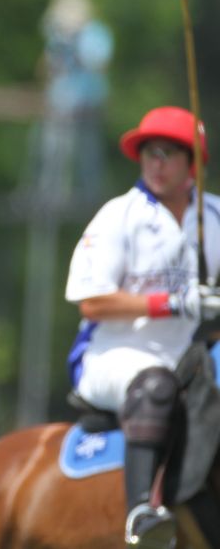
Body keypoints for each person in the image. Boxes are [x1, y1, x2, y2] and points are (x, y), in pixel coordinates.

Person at [64, 105, 220, 548]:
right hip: (115, 357)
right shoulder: (119, 215)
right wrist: (172, 303)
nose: (156, 163)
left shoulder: (214, 215)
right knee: (156, 386)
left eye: (168, 154)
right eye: (150, 153)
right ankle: (141, 515)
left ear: (192, 163)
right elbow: (91, 302)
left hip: (188, 357)